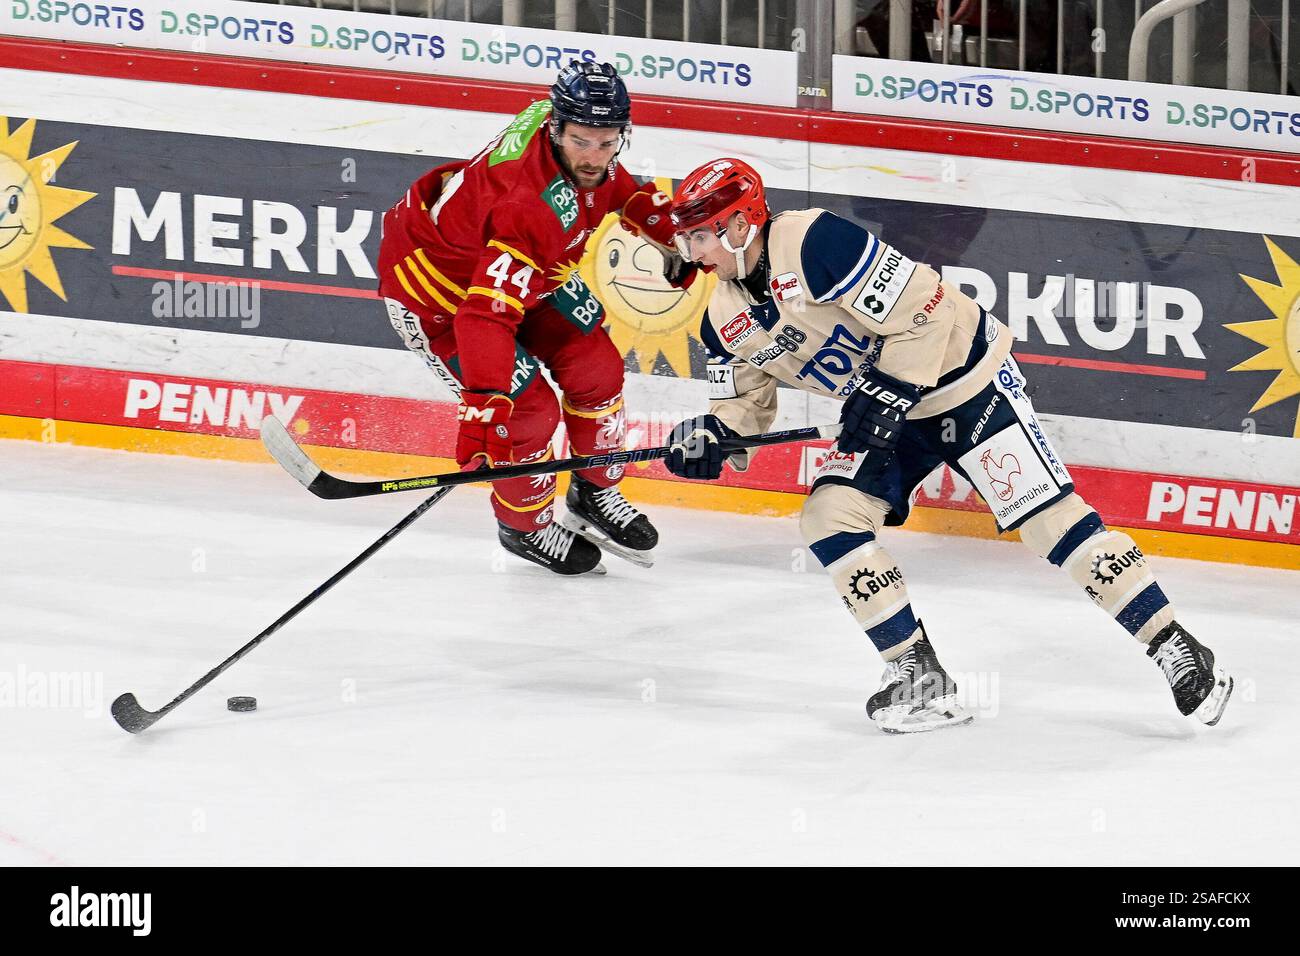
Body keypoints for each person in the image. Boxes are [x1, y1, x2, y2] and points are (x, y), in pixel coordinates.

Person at [661, 158, 1234, 733]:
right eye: (685, 237)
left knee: (1050, 523)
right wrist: (713, 438)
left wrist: (886, 390)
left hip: (966, 385)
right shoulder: (721, 315)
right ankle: (918, 675)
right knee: (830, 517)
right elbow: (744, 406)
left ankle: (1176, 647)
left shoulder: (814, 241)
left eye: (700, 235)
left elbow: (927, 311)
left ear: (740, 226)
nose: (690, 250)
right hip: (891, 415)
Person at [377, 62, 677, 574]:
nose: (594, 157)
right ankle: (525, 527)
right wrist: (483, 404)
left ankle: (593, 489)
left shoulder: (559, 124)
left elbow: (608, 185)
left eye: (607, 143)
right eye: (582, 142)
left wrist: (660, 225)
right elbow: (485, 317)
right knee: (528, 412)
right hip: (443, 301)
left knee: (597, 367)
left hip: (524, 273)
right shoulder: (524, 207)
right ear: (557, 128)